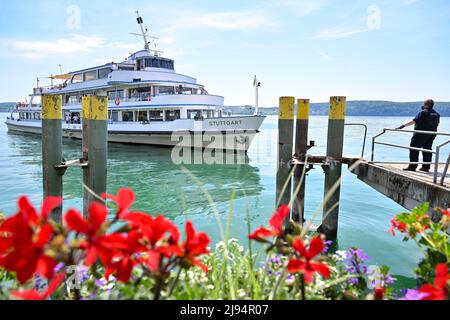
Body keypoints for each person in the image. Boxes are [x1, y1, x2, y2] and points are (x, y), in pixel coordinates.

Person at [396, 99, 440, 172]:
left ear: (426, 104)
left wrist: (403, 125)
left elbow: (414, 121)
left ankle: (412, 166)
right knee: (427, 149)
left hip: (420, 134)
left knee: (414, 149)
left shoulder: (423, 112)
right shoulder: (436, 114)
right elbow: (437, 124)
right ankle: (426, 167)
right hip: (432, 134)